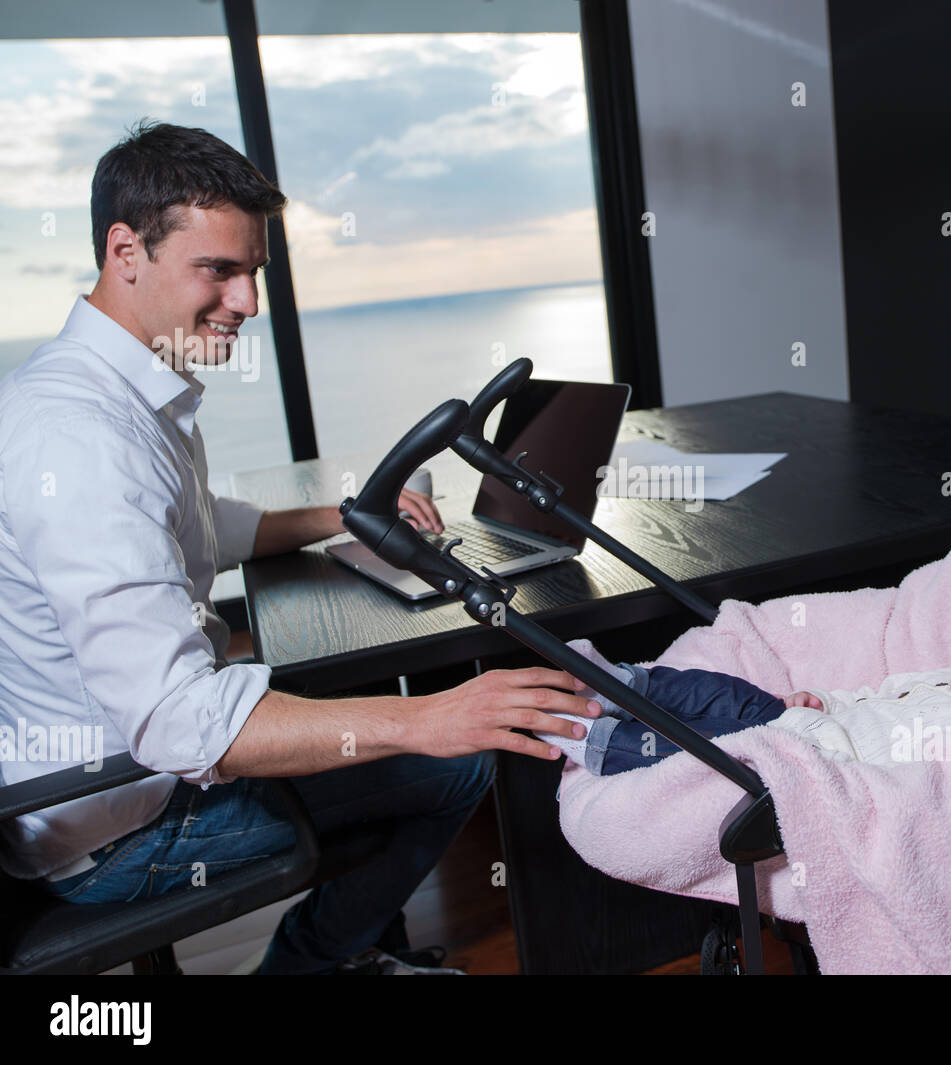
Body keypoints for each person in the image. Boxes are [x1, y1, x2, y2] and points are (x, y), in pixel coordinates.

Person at [0, 120, 601, 975]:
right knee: (459, 758)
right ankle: (310, 965)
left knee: (357, 702)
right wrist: (434, 716)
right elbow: (178, 723)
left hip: (104, 777)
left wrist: (346, 513)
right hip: (118, 827)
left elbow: (196, 521)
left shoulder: (109, 388)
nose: (248, 302)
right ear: (125, 250)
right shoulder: (82, 436)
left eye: (254, 272)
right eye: (220, 270)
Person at [543, 551, 951, 774]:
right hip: (807, 722)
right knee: (725, 692)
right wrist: (820, 702)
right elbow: (873, 699)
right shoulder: (941, 682)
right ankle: (621, 682)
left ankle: (595, 740)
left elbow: (879, 778)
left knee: (702, 745)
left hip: (807, 759)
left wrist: (809, 727)